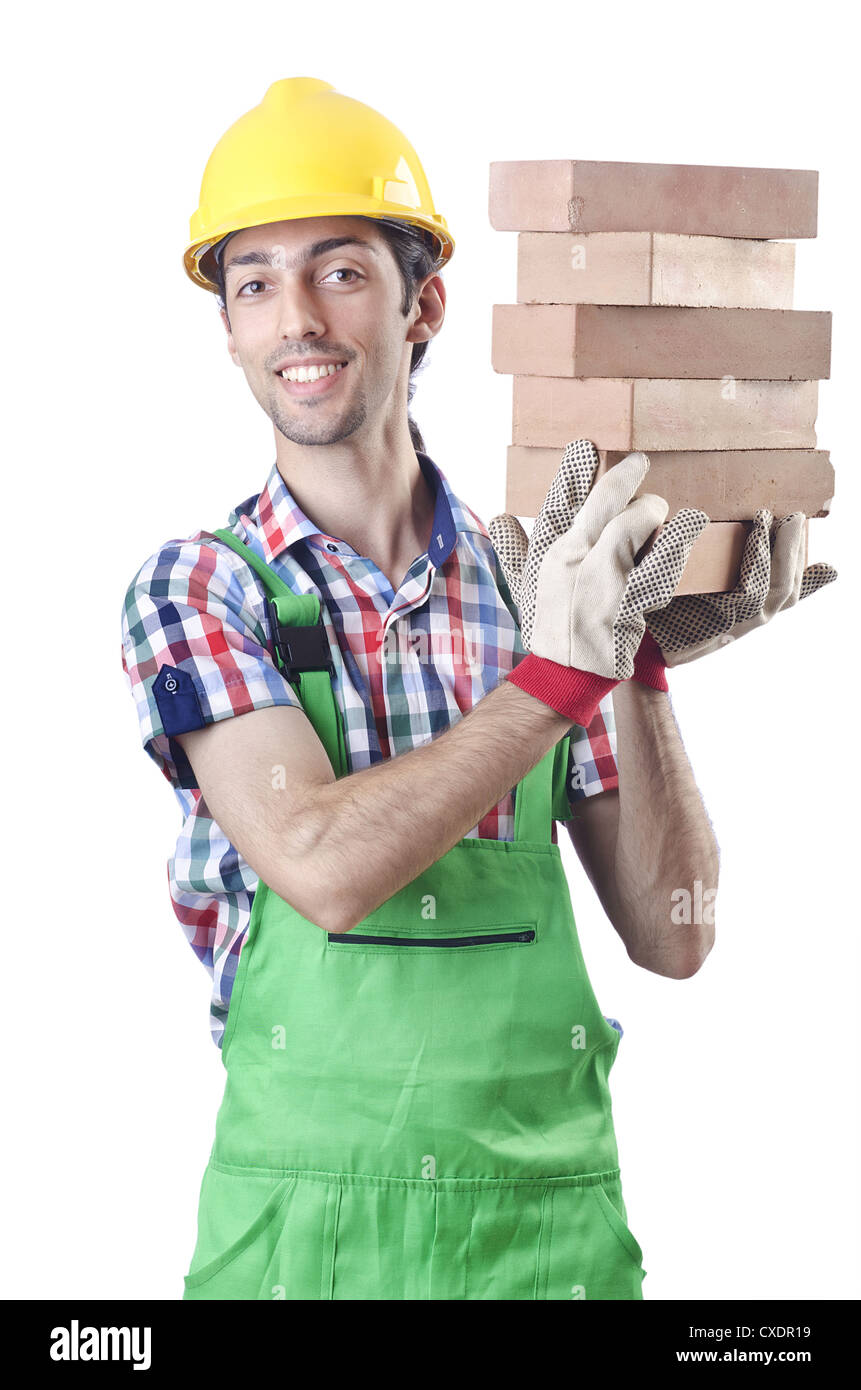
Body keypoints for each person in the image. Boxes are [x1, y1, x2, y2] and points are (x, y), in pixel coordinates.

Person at [120, 77, 836, 1301]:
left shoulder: (541, 576)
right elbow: (322, 863)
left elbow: (676, 932)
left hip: (546, 1249)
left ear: (424, 302)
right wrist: (560, 674)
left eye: (341, 270)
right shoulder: (199, 591)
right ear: (229, 327)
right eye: (254, 282)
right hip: (300, 1250)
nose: (297, 316)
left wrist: (638, 661)